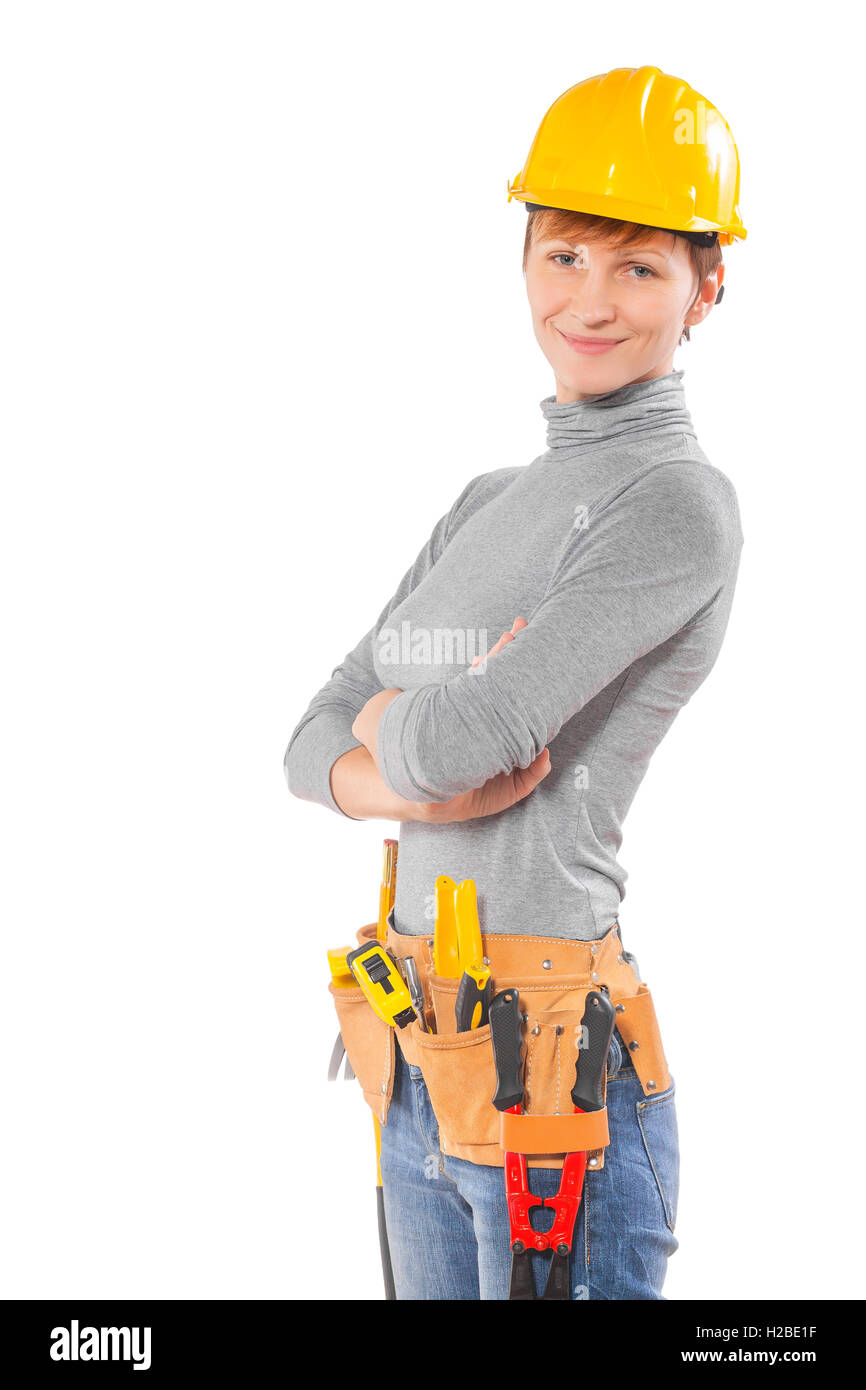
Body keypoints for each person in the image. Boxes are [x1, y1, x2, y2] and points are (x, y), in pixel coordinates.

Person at [284, 65, 746, 1300]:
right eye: (561, 257)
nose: (588, 301)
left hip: (555, 1082)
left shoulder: (674, 505)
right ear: (524, 262)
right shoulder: (489, 501)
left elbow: (454, 733)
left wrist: (393, 736)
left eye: (637, 265)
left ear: (708, 285)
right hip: (416, 1053)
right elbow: (305, 738)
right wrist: (414, 774)